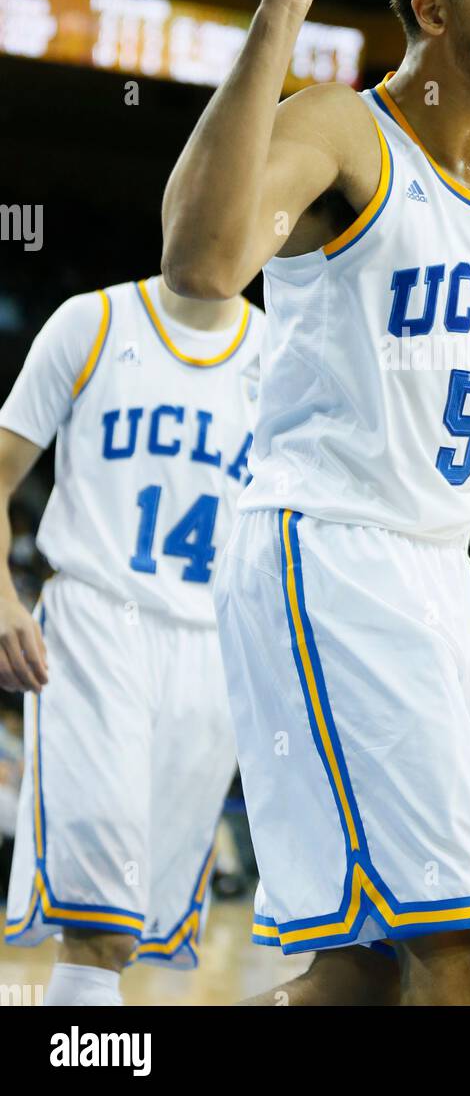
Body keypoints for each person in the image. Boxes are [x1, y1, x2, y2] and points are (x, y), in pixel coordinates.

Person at [161, 0, 470, 1006]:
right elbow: (205, 266)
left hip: (431, 567)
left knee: (359, 972)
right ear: (432, 13)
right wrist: (280, 10)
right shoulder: (341, 128)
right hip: (327, 548)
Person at [0, 274, 263, 1005]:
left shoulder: (285, 353)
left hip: (213, 648)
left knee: (129, 940)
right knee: (100, 926)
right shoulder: (93, 321)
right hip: (95, 622)